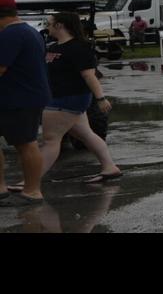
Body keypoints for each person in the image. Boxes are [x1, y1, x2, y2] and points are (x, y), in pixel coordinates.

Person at [33, 12, 122, 184]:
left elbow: (90, 76)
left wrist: (101, 98)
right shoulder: (53, 46)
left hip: (68, 99)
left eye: (49, 23)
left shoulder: (80, 48)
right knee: (86, 135)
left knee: (51, 140)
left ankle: (30, 181)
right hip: (58, 98)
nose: (47, 26)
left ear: (60, 25)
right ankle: (110, 167)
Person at [0, 0, 52, 207]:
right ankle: (1, 189)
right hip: (16, 97)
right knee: (25, 143)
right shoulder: (28, 31)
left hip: (21, 98)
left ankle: (32, 192)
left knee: (26, 144)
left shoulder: (11, 35)